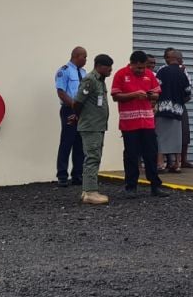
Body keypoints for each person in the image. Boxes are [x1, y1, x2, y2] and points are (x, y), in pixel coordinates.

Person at [110, 51, 170, 198]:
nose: (142, 71)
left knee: (151, 154)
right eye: (138, 68)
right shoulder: (120, 74)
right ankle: (131, 186)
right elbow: (115, 96)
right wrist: (134, 95)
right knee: (131, 155)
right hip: (129, 123)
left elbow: (157, 94)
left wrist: (150, 95)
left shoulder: (149, 75)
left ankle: (155, 186)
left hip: (147, 122)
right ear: (131, 63)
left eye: (143, 68)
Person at [74, 54, 114, 205]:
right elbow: (77, 102)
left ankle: (86, 190)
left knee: (93, 156)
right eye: (108, 66)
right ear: (99, 66)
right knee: (92, 157)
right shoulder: (90, 80)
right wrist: (81, 117)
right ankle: (91, 192)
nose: (111, 70)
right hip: (91, 126)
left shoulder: (100, 81)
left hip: (97, 126)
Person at [53, 47, 87, 188]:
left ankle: (77, 175)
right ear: (76, 56)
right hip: (69, 109)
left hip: (82, 111)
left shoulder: (84, 72)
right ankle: (62, 175)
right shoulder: (64, 71)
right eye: (84, 57)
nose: (85, 60)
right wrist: (73, 106)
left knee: (80, 143)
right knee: (67, 142)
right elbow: (61, 92)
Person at [154, 48, 190, 174]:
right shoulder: (182, 74)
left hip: (162, 108)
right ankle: (177, 163)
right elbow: (188, 92)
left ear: (171, 58)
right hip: (177, 109)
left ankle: (160, 164)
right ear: (178, 59)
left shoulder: (162, 71)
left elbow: (155, 88)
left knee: (160, 136)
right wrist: (179, 102)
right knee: (177, 137)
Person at [177, 50, 193, 170]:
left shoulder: (184, 71)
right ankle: (172, 162)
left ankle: (183, 160)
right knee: (168, 134)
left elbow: (189, 86)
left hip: (182, 103)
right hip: (170, 105)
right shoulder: (163, 70)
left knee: (185, 133)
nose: (181, 62)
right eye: (179, 59)